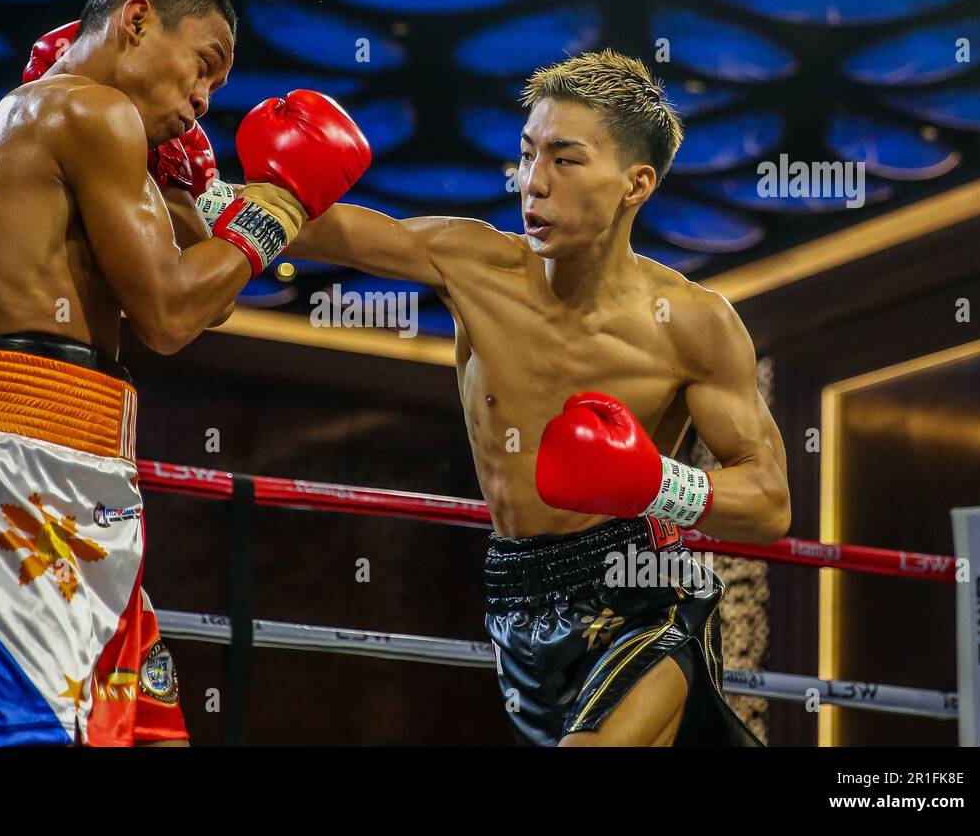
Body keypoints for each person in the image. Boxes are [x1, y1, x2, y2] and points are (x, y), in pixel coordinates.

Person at [0, 0, 370, 746]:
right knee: (46, 734)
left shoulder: (83, 120)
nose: (202, 100)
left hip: (73, 449)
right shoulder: (89, 111)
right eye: (205, 66)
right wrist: (282, 201)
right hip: (23, 448)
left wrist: (192, 196)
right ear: (138, 20)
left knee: (141, 731)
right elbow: (170, 316)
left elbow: (204, 297)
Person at [275, 49, 789, 746]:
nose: (533, 182)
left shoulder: (693, 322)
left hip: (640, 589)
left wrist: (653, 483)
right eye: (528, 154)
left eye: (565, 160)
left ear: (635, 184)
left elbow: (769, 504)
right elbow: (310, 230)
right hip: (515, 598)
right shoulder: (472, 264)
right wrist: (188, 180)